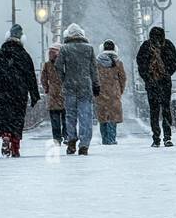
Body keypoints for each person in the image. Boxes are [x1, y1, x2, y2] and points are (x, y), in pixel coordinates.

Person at [0, 23, 39, 157]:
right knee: (17, 118)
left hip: (1, 92)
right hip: (19, 92)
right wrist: (34, 94)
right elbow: (30, 76)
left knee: (3, 116)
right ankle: (15, 146)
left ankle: (5, 135)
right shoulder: (24, 56)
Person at [54, 23, 98, 155]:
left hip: (70, 86)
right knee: (86, 116)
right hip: (85, 85)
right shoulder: (89, 49)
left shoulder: (65, 49)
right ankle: (84, 145)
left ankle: (71, 140)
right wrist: (96, 84)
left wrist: (64, 78)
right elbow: (93, 69)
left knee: (70, 115)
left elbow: (58, 66)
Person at [135, 25, 176, 147]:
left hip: (151, 84)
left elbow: (140, 64)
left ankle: (156, 138)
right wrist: (167, 73)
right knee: (165, 109)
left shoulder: (145, 46)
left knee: (154, 111)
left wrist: (147, 78)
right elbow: (175, 62)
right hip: (165, 83)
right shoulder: (168, 45)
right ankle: (167, 136)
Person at [94, 39, 127, 145]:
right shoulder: (118, 62)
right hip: (114, 91)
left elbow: (94, 77)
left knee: (103, 115)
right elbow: (123, 78)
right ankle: (112, 138)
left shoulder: (97, 62)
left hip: (101, 91)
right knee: (113, 116)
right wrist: (120, 90)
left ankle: (104, 138)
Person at [40, 44, 66, 143]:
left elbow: (43, 79)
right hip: (64, 93)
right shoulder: (64, 63)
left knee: (55, 119)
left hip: (52, 93)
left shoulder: (47, 64)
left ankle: (57, 138)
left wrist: (47, 88)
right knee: (65, 117)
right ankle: (66, 135)